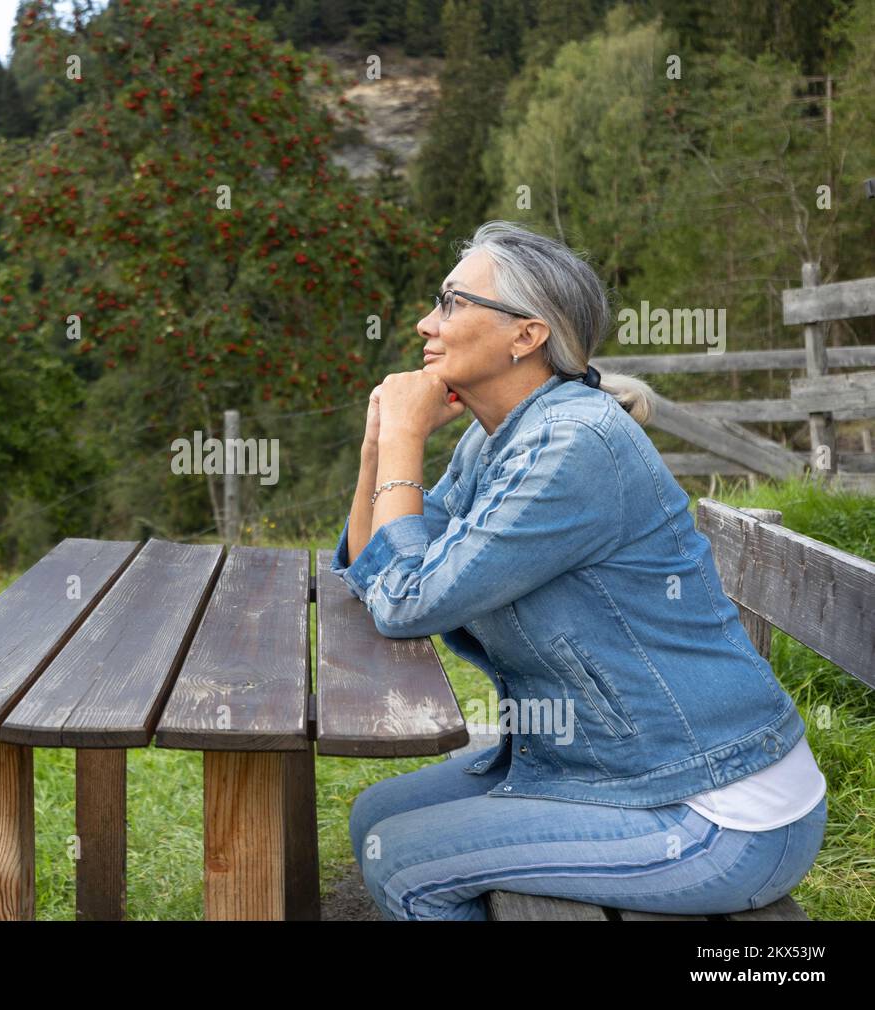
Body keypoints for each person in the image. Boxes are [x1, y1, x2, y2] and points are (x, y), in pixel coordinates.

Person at [330, 220, 827, 921]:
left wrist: (408, 440)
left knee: (409, 864)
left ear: (525, 336)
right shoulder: (498, 437)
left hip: (715, 808)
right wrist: (380, 444)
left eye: (451, 302)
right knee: (376, 817)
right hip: (610, 767)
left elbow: (407, 599)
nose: (425, 322)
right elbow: (374, 568)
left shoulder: (575, 447)